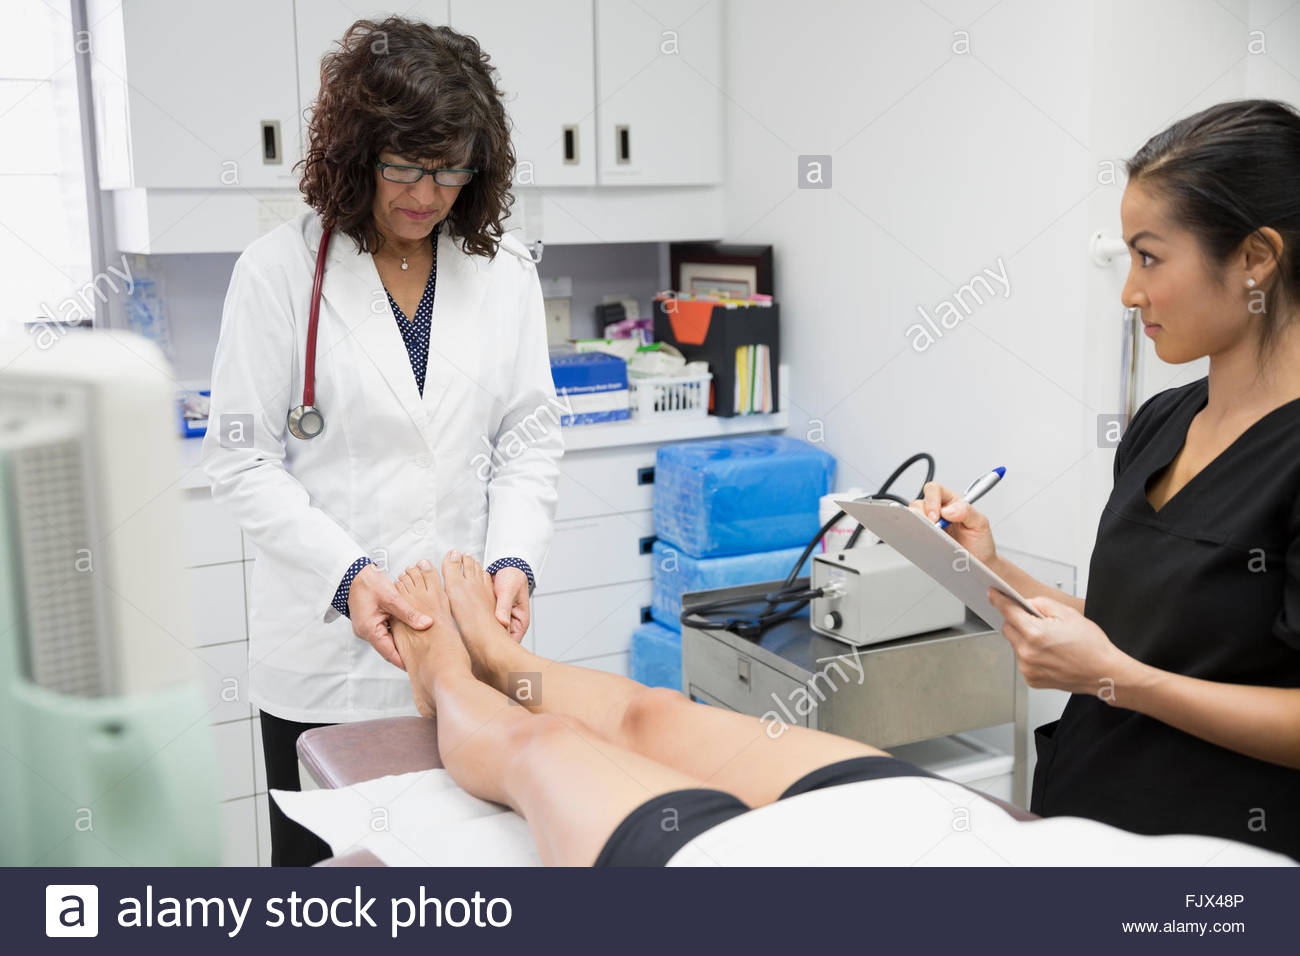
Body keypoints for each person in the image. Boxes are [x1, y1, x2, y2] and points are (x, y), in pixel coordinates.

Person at [201, 18, 561, 865]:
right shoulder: (279, 272)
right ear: (356, 151)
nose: (426, 193)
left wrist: (513, 562)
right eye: (404, 165)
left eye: (449, 169)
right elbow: (241, 459)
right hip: (323, 663)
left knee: (455, 880)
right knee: (332, 888)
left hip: (463, 656)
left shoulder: (502, 271)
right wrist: (351, 575)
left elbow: (528, 440)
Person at [917, 99, 1300, 860]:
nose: (1130, 292)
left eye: (1150, 257)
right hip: (1090, 822)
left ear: (1256, 257)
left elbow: (1126, 668)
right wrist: (989, 565)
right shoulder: (1164, 420)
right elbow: (1140, 633)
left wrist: (1119, 683)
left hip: (1223, 862)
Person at [376, 552, 1288, 867]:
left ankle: (448, 679)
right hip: (950, 829)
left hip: (766, 885)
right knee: (652, 712)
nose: (1131, 290)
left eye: (1149, 257)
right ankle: (507, 658)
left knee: (541, 747)